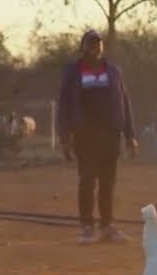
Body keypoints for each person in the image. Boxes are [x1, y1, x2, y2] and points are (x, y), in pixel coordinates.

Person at [56, 29, 139, 244]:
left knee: (108, 182)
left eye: (98, 44)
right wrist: (64, 136)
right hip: (85, 135)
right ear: (83, 47)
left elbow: (125, 103)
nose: (95, 48)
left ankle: (107, 226)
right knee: (87, 181)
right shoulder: (73, 72)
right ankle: (86, 227)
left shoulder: (113, 72)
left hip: (110, 134)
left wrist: (130, 135)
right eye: (91, 44)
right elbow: (64, 105)